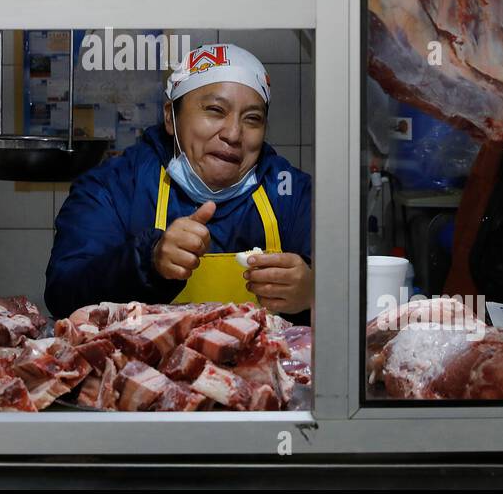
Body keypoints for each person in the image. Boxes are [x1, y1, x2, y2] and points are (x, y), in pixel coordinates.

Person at [45, 43, 313, 323]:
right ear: (170, 118)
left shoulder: (292, 193)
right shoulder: (113, 187)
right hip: (145, 366)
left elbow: (351, 308)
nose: (234, 134)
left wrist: (312, 293)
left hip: (262, 365)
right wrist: (147, 261)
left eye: (253, 119)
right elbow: (63, 297)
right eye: (215, 110)